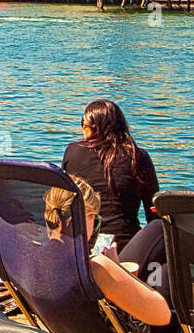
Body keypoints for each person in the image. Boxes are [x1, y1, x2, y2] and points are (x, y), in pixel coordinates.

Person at [45, 175, 173, 333]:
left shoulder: (36, 259)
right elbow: (163, 316)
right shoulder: (98, 269)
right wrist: (118, 271)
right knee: (167, 273)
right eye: (94, 220)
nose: (96, 226)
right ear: (84, 218)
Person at [61, 99, 159, 252]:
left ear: (93, 128)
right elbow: (153, 212)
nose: (82, 129)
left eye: (84, 124)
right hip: (128, 249)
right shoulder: (138, 157)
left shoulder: (73, 152)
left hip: (84, 248)